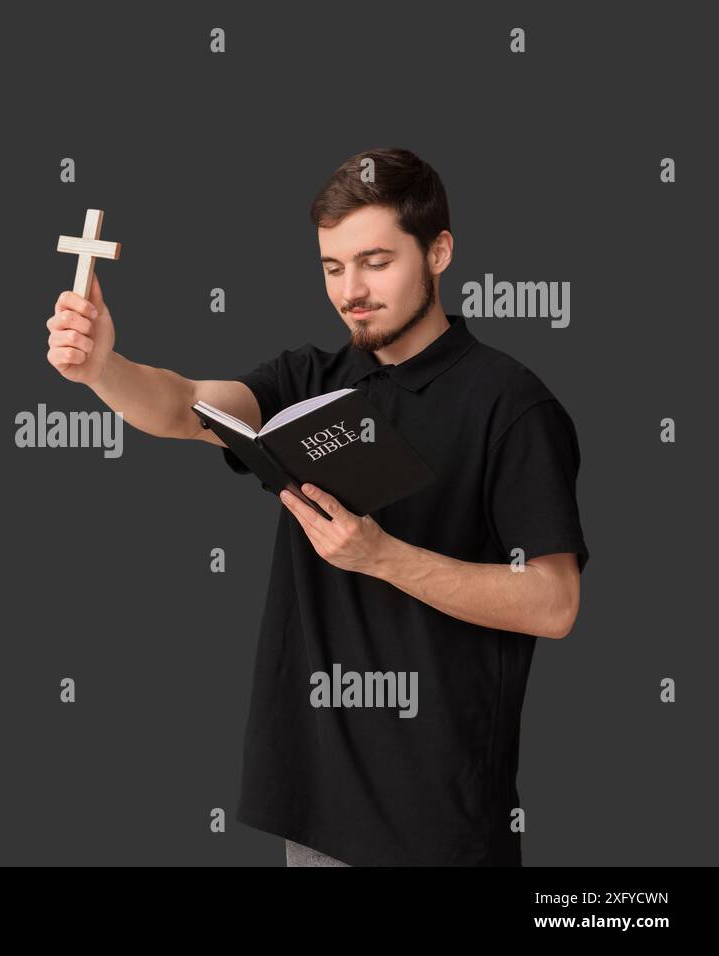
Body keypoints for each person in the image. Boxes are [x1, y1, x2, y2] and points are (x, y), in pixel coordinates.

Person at [44, 147, 589, 866]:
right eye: (333, 267)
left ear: (439, 252)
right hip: (315, 805)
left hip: (438, 817)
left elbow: (554, 605)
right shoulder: (310, 380)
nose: (351, 290)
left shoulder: (510, 406)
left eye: (375, 261)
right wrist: (103, 371)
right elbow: (184, 407)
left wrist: (382, 557)